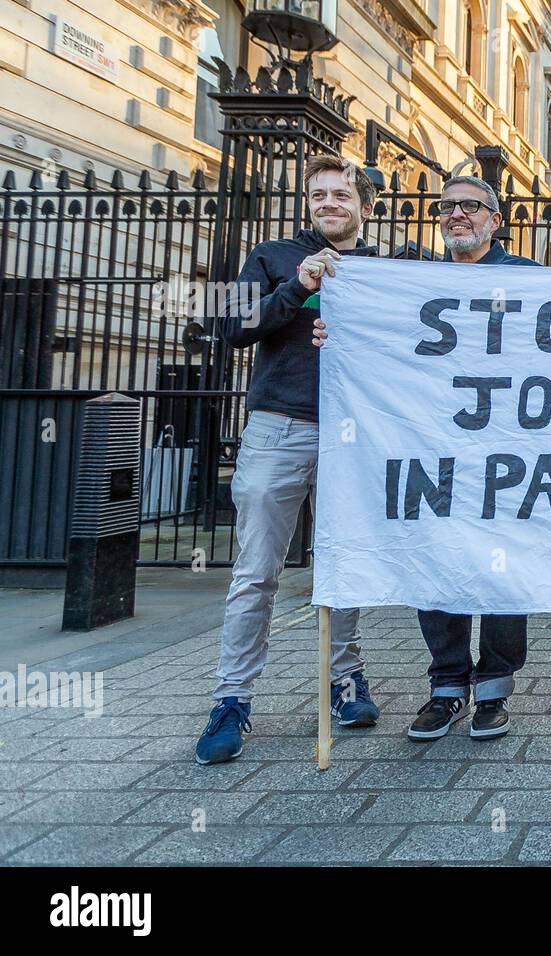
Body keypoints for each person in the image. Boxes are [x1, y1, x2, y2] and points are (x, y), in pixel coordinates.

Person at [313, 175, 539, 742]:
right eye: (447, 207)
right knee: (434, 558)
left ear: (496, 219)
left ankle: (493, 687)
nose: (456, 215)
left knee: (504, 564)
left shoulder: (532, 279)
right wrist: (336, 329)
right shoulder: (410, 281)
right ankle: (446, 685)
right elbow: (377, 341)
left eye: (469, 206)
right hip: (431, 448)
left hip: (508, 450)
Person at [196, 155, 381, 765]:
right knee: (256, 570)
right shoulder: (274, 257)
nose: (329, 204)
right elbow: (233, 325)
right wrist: (297, 287)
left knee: (344, 562)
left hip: (352, 435)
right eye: (319, 195)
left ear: (366, 206)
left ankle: (345, 678)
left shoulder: (385, 269)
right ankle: (232, 698)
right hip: (280, 427)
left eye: (342, 195)